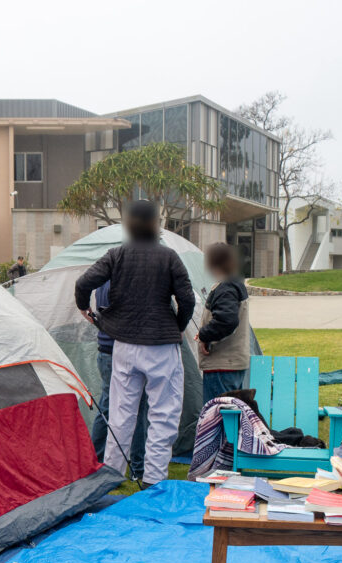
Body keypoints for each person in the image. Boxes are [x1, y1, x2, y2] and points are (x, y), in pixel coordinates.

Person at [75, 199, 195, 485]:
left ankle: (112, 479)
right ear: (157, 224)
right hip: (162, 348)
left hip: (125, 346)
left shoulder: (117, 255)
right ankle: (152, 482)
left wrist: (86, 310)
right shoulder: (169, 257)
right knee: (162, 417)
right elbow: (187, 299)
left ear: (128, 225)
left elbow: (83, 284)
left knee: (121, 415)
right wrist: (177, 327)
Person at [89, 279, 148, 481]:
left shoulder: (101, 285)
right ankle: (137, 468)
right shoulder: (125, 283)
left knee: (107, 407)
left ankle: (95, 461)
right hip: (124, 352)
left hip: (105, 351)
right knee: (137, 409)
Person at [198, 243, 251, 404]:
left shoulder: (226, 288)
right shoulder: (235, 284)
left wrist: (204, 336)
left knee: (217, 418)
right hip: (233, 363)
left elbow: (227, 321)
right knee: (231, 418)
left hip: (222, 365)